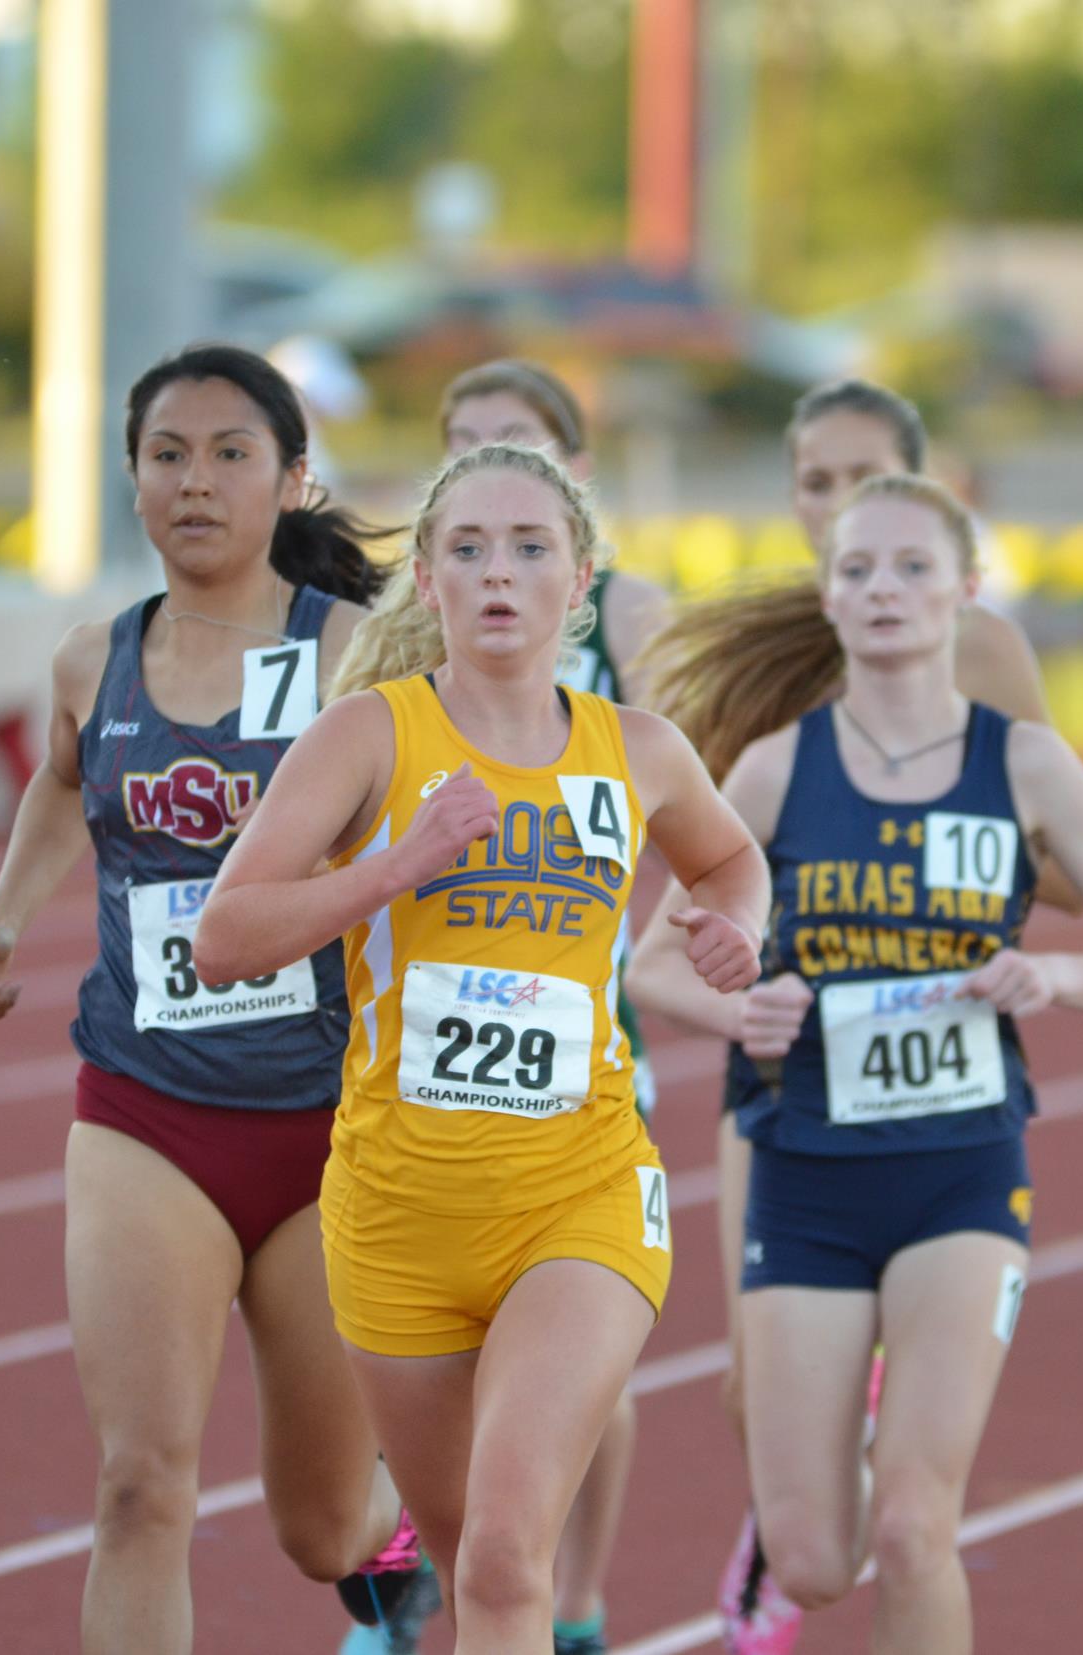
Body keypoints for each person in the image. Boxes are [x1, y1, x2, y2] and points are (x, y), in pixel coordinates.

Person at [193, 442, 767, 1652]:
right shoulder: (368, 735)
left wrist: (730, 929)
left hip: (584, 1193)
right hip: (397, 1212)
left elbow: (727, 858)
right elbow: (226, 938)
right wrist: (399, 862)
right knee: (466, 1572)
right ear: (430, 585)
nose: (497, 573)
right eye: (465, 549)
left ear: (581, 579)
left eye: (527, 548)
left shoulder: (638, 746)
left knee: (512, 1559)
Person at [627, 473, 1083, 1651]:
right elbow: (651, 966)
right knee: (814, 1554)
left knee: (914, 1528)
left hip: (962, 1172)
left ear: (966, 592)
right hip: (806, 1170)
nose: (883, 589)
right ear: (827, 598)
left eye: (911, 568)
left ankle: (904, 1450)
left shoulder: (1025, 763)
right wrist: (744, 1016)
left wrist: (1057, 976)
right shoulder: (779, 771)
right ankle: (784, 1538)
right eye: (857, 570)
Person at [0, 345, 434, 1654]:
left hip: (333, 1128)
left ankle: (392, 1538)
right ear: (132, 480)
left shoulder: (359, 657)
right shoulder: (91, 659)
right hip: (145, 1108)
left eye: (230, 453)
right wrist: (2, 919)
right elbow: (59, 781)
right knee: (138, 1482)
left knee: (318, 1525)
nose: (196, 480)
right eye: (168, 453)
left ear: (289, 478)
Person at [428, 359, 668, 1655]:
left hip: (585, 1015)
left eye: (511, 444)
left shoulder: (632, 615)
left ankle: (568, 1594)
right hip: (421, 1028)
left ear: (571, 468)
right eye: (458, 447)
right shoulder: (426, 612)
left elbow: (696, 795)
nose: (480, 461)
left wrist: (660, 939)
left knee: (574, 1332)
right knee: (439, 1343)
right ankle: (452, 1579)